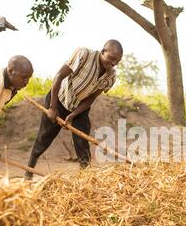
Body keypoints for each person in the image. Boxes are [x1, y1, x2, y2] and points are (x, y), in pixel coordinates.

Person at [25, 39, 123, 180]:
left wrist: (73, 115)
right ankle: (28, 171)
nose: (113, 64)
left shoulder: (111, 76)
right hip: (58, 99)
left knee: (82, 142)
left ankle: (86, 179)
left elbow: (91, 99)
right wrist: (52, 107)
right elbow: (58, 76)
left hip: (79, 108)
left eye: (117, 61)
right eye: (112, 59)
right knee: (44, 137)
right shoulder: (84, 55)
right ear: (103, 52)